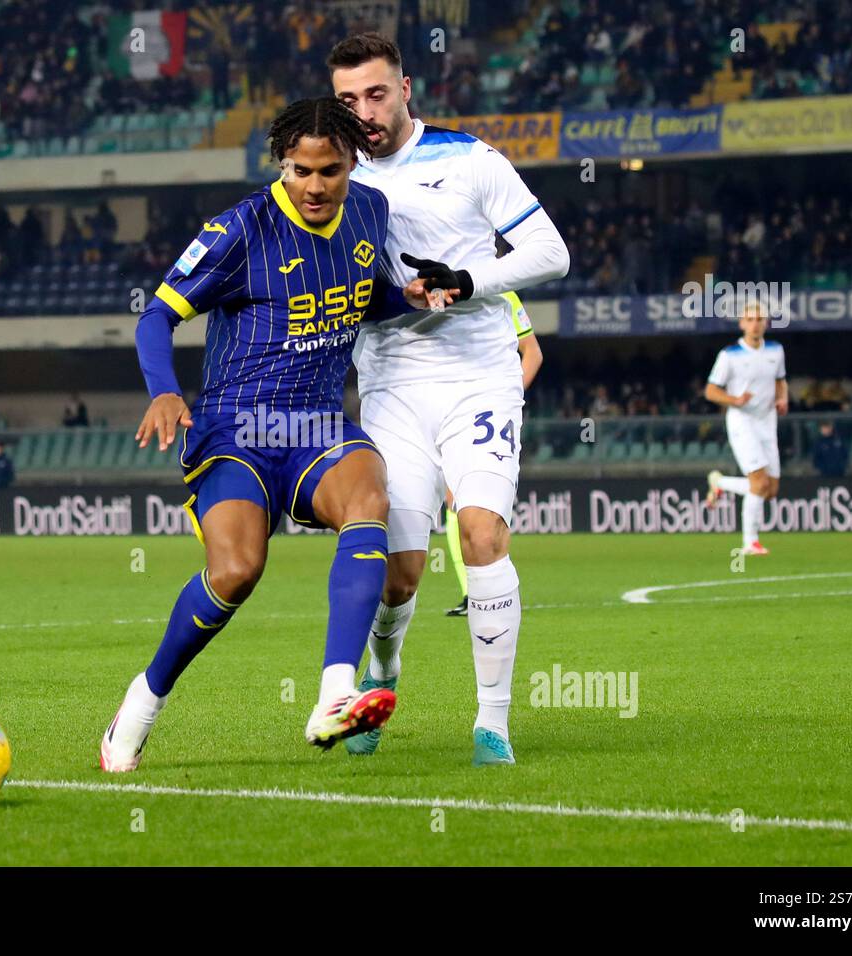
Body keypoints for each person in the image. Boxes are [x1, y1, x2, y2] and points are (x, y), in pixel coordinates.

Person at [100, 97, 407, 772]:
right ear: (282, 164)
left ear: (353, 163)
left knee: (369, 499)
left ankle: (335, 691)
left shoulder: (371, 213)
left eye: (331, 170)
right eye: (302, 170)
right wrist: (164, 392)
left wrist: (414, 296)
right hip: (236, 429)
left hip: (317, 423)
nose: (317, 185)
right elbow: (156, 317)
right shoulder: (240, 229)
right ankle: (145, 699)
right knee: (236, 571)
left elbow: (366, 294)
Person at [329, 33, 569, 766]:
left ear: (407, 87)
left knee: (481, 534)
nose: (364, 111)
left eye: (375, 94)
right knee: (398, 569)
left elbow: (550, 252)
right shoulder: (334, 179)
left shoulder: (469, 158)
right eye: (347, 100)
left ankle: (491, 722)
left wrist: (467, 280)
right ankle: (383, 674)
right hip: (392, 384)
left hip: (478, 376)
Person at [446, 293, 542, 616]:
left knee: (465, 503)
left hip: (485, 414)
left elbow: (532, 354)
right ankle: (474, 593)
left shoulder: (502, 291)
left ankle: (477, 593)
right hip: (445, 408)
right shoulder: (443, 287)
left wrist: (507, 397)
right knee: (452, 504)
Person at [705, 301, 788, 556]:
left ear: (766, 323)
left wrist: (783, 398)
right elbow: (710, 391)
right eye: (750, 319)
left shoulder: (776, 350)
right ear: (742, 323)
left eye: (760, 319)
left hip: (767, 421)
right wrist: (735, 400)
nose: (755, 324)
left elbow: (780, 380)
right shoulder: (729, 355)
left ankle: (720, 483)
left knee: (770, 490)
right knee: (759, 482)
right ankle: (750, 542)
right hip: (742, 421)